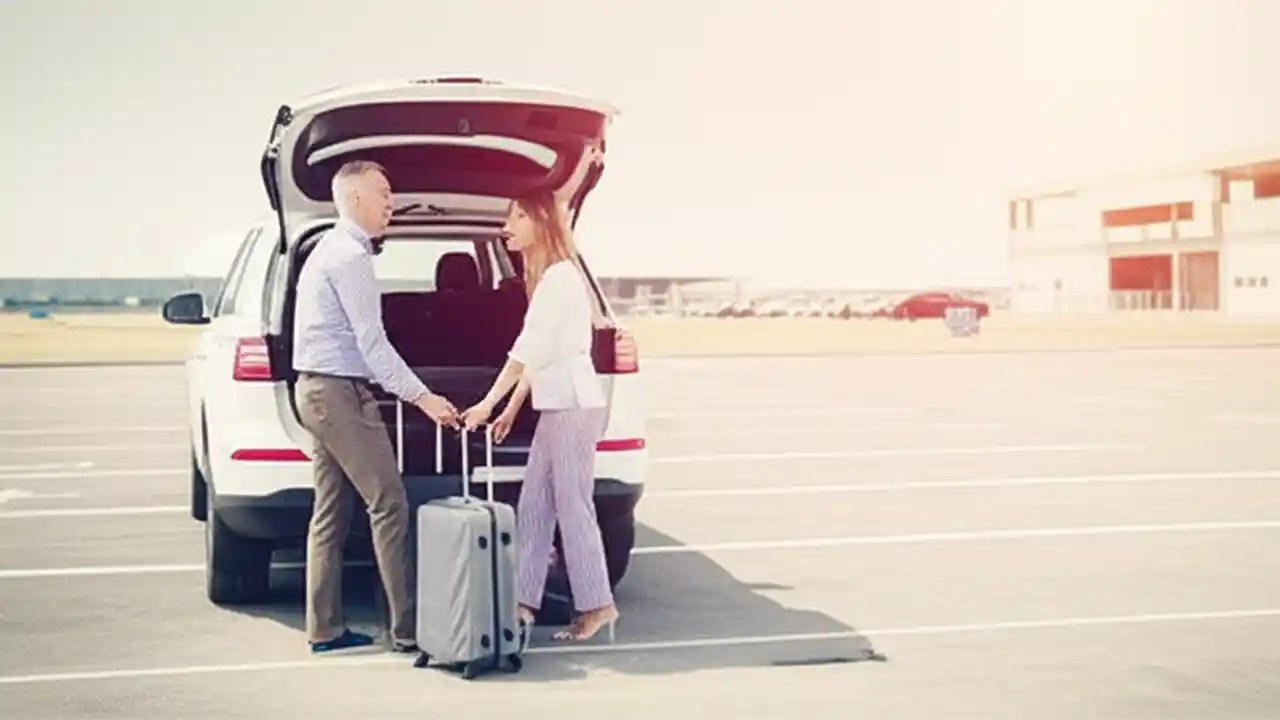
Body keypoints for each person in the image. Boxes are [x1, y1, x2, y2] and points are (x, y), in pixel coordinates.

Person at [292, 159, 460, 653]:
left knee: (330, 515)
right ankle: (409, 631)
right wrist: (424, 398)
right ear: (356, 199)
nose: (392, 201)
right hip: (339, 395)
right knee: (388, 504)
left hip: (317, 392)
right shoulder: (350, 256)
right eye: (384, 192)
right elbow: (374, 345)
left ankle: (325, 629)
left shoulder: (329, 251)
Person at [461, 148, 619, 643]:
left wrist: (487, 403)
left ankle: (597, 605)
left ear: (541, 223)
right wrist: (510, 408)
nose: (508, 226)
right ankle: (524, 602)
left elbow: (526, 351)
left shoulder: (558, 279)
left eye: (517, 216)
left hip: (572, 405)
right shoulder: (549, 278)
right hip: (558, 402)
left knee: (572, 504)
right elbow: (540, 355)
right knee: (533, 506)